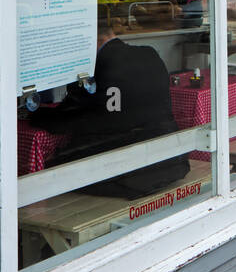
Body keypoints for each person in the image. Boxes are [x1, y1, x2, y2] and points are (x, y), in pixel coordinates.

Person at [29, 17, 189, 197]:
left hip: (133, 173)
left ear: (92, 40)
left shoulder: (99, 67)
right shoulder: (149, 53)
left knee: (51, 173)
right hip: (172, 160)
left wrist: (33, 115)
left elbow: (75, 119)